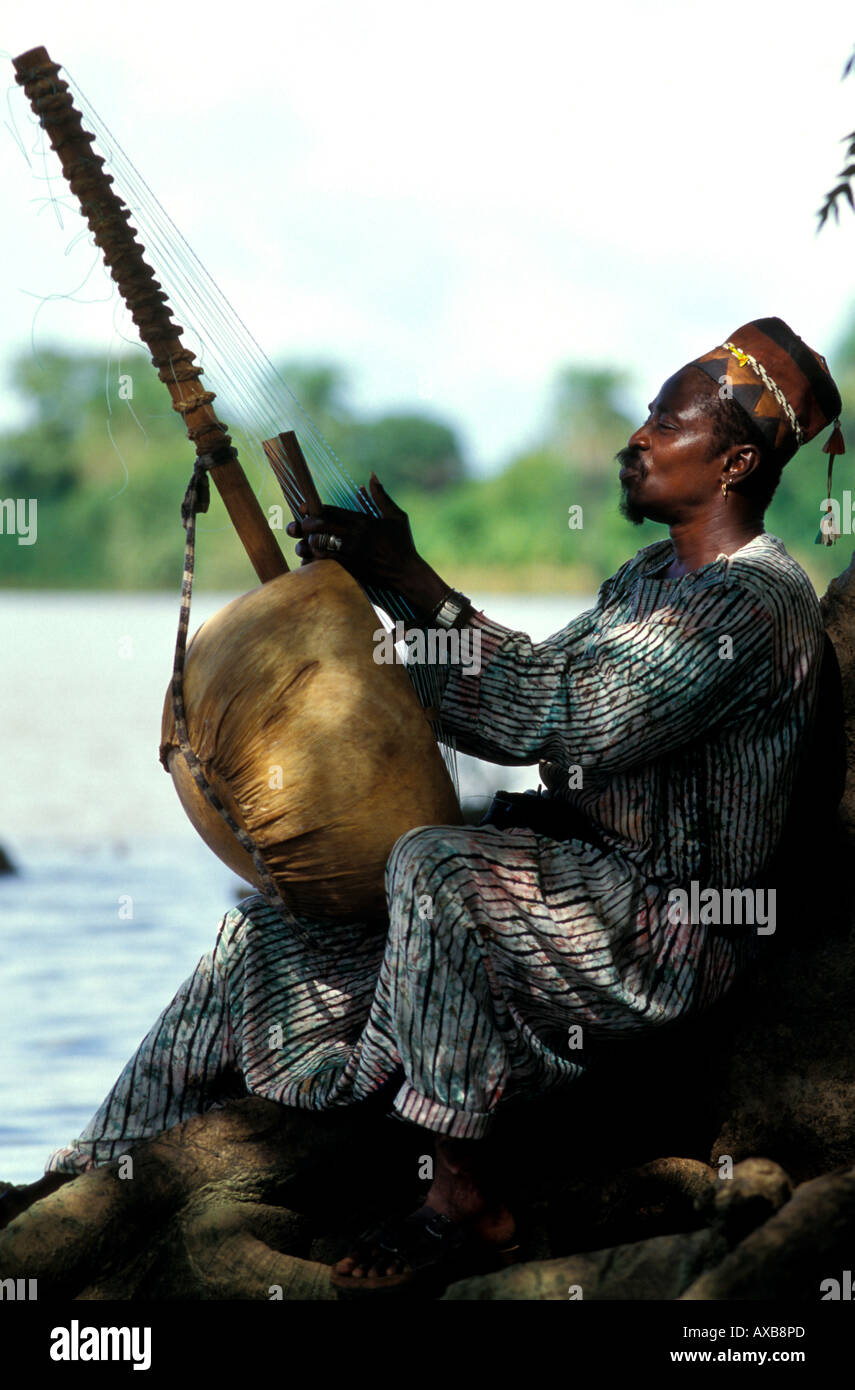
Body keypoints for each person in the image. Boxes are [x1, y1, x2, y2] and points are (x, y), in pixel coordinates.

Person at [35, 317, 845, 1295]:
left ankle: (464, 1197)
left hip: (665, 928)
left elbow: (563, 715)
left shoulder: (749, 608)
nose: (637, 438)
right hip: (574, 893)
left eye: (665, 421)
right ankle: (88, 1172)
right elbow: (535, 675)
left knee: (435, 866)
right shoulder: (646, 580)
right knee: (263, 935)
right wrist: (387, 606)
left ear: (736, 460)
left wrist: (404, 603)